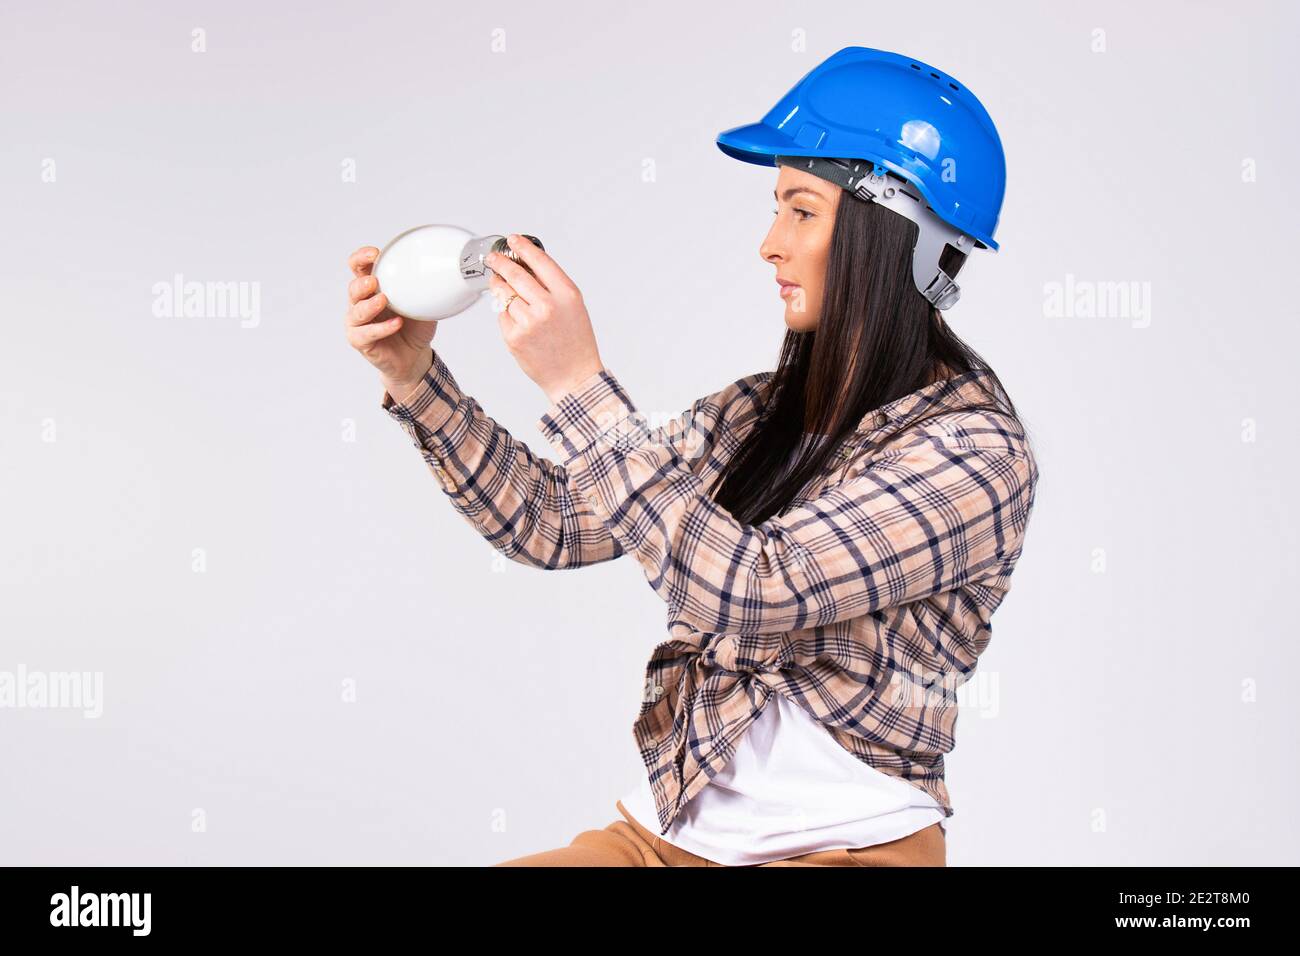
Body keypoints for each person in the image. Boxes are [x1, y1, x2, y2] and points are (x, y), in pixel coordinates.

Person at [342, 46, 1039, 866]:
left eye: (802, 211)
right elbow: (553, 522)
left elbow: (749, 589)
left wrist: (577, 385)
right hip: (668, 839)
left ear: (899, 239)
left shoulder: (974, 454)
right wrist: (416, 378)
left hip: (851, 851)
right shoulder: (762, 412)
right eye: (776, 209)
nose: (769, 244)